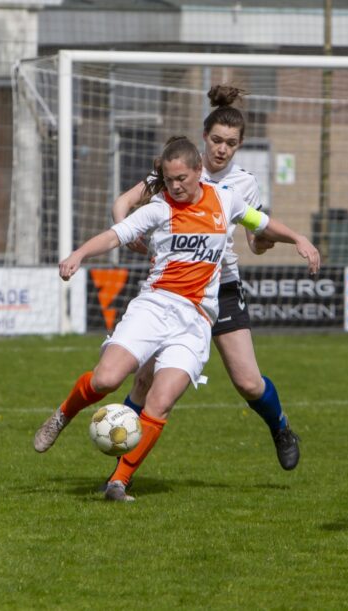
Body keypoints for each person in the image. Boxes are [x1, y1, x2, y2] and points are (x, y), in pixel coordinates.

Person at [34, 136, 320, 502]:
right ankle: (62, 415)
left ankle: (118, 482)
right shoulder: (159, 208)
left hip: (196, 320)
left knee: (161, 401)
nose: (175, 186)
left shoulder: (225, 199)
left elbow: (261, 223)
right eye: (169, 180)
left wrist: (298, 238)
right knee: (106, 378)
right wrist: (79, 253)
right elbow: (115, 235)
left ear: (199, 172)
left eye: (181, 178)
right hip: (154, 307)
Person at [111, 85, 308, 471]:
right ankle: (120, 469)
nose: (222, 149)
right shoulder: (178, 167)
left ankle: (281, 427)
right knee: (143, 381)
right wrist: (127, 231)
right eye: (216, 140)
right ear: (204, 138)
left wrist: (267, 243)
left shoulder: (245, 183)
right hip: (172, 289)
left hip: (223, 287)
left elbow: (254, 241)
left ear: (240, 145)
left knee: (249, 383)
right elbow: (123, 203)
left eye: (231, 143)